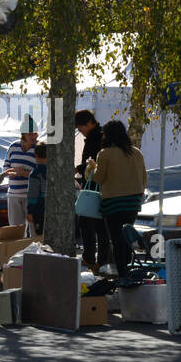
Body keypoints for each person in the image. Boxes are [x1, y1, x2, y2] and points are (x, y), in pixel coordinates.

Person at [89, 120, 146, 280]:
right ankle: (127, 269)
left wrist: (92, 167)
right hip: (133, 202)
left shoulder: (105, 153)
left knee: (116, 238)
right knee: (126, 236)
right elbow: (144, 177)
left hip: (113, 202)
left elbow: (98, 178)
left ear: (108, 135)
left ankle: (122, 274)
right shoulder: (136, 152)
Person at [74, 109, 110, 271]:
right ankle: (97, 259)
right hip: (94, 184)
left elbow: (93, 161)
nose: (80, 131)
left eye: (81, 127)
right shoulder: (97, 134)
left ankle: (93, 258)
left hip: (95, 185)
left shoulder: (96, 136)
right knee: (96, 223)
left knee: (92, 222)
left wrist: (78, 168)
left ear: (89, 123)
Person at [3, 116, 38, 230]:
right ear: (23, 134)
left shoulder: (39, 148)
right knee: (15, 230)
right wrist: (13, 172)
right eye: (30, 134)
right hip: (13, 194)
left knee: (33, 230)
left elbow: (40, 174)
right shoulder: (13, 146)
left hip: (31, 196)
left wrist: (23, 173)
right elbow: (5, 169)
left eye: (35, 134)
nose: (33, 136)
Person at [26, 143, 48, 235]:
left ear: (35, 155)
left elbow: (32, 195)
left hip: (38, 210)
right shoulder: (54, 171)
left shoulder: (35, 173)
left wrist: (30, 212)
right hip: (52, 210)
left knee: (37, 238)